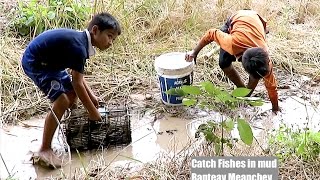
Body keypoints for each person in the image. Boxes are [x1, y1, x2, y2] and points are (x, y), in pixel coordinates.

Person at [21, 12, 121, 168]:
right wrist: (93, 113)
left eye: (113, 39)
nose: (110, 43)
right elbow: (77, 83)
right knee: (62, 101)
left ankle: (69, 121)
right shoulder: (79, 47)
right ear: (95, 31)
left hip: (52, 64)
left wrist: (93, 97)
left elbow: (77, 76)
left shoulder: (82, 43)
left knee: (71, 95)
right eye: (109, 36)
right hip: (37, 63)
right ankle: (44, 148)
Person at [185, 9, 280, 113]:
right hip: (237, 18)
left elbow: (272, 87)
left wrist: (275, 108)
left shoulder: (265, 58)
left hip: (255, 19)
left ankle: (246, 95)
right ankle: (241, 88)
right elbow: (211, 33)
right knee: (223, 63)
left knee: (256, 72)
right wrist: (194, 52)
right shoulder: (230, 43)